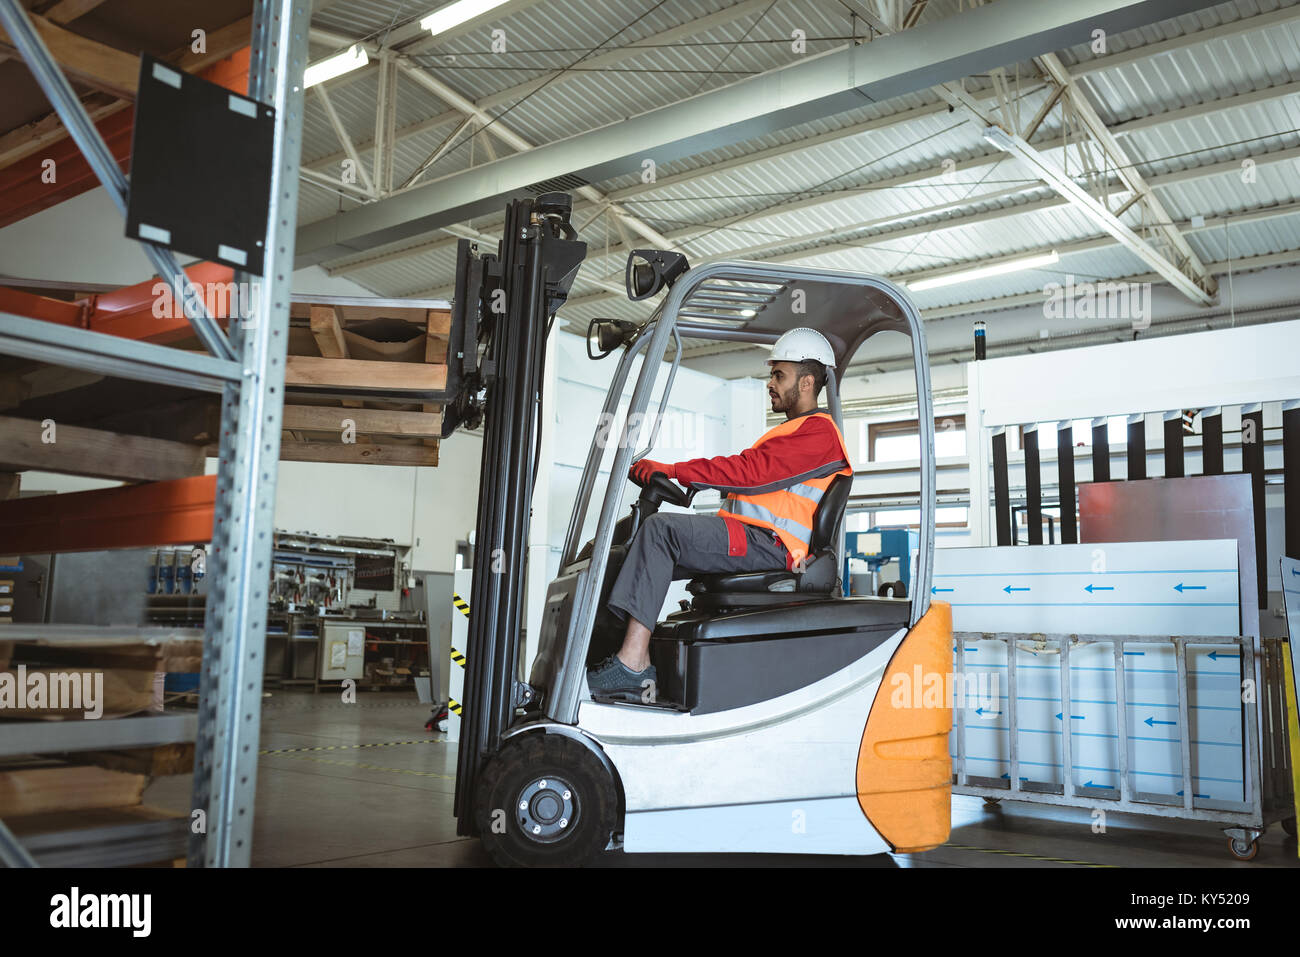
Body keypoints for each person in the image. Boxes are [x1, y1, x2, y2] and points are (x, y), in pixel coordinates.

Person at [587, 327, 853, 698]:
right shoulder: (791, 433)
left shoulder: (818, 434)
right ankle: (607, 653)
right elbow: (750, 476)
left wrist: (677, 469)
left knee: (662, 531)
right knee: (633, 544)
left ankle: (632, 662)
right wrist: (687, 482)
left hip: (775, 546)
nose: (770, 383)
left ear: (807, 382)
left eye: (779, 374)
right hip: (753, 537)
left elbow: (749, 471)